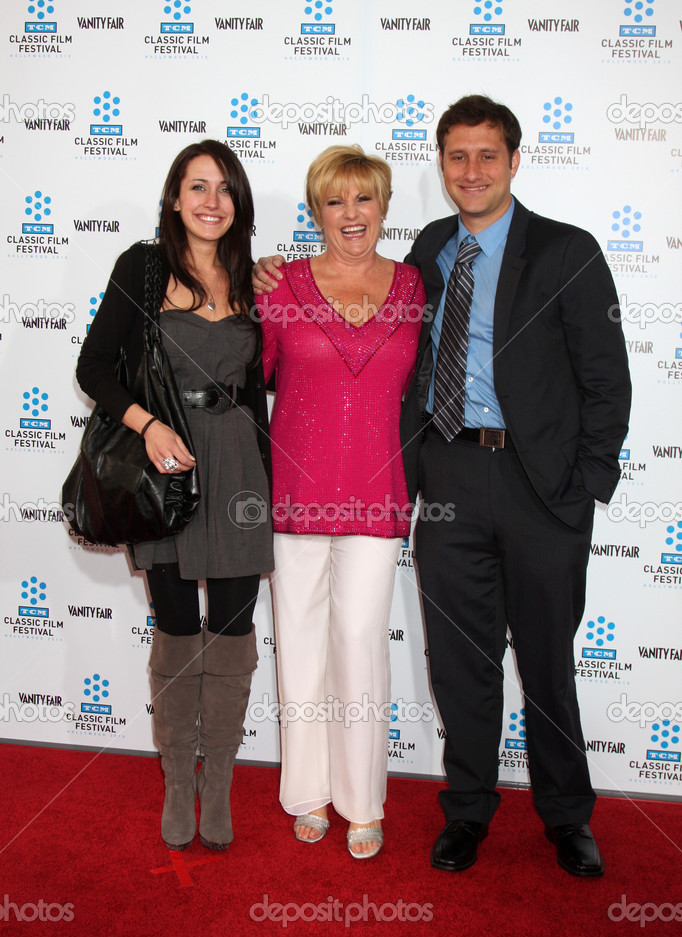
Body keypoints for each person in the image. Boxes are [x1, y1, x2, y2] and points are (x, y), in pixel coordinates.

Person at [399, 95, 631, 876]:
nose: (472, 170)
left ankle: (567, 815)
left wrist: (582, 485)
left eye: (487, 155)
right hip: (450, 474)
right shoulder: (429, 248)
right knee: (460, 662)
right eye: (457, 156)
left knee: (547, 663)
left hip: (541, 488)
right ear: (442, 164)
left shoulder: (567, 250)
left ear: (515, 161)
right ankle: (467, 809)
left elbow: (607, 380)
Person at [77, 140, 273, 852]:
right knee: (177, 629)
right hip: (166, 468)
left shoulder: (254, 276)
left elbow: (261, 387)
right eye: (197, 186)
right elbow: (94, 367)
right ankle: (177, 782)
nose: (211, 201)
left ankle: (217, 781)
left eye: (224, 189)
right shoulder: (143, 266)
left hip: (239, 468)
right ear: (173, 196)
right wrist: (149, 424)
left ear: (238, 202)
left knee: (233, 630)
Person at [256, 145, 425, 859]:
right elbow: (248, 382)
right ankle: (308, 791)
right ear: (315, 211)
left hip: (377, 495)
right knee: (298, 642)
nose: (351, 214)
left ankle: (362, 801)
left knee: (359, 641)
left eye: (364, 198)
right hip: (295, 493)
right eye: (335, 200)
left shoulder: (416, 284)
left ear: (383, 207)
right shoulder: (278, 285)